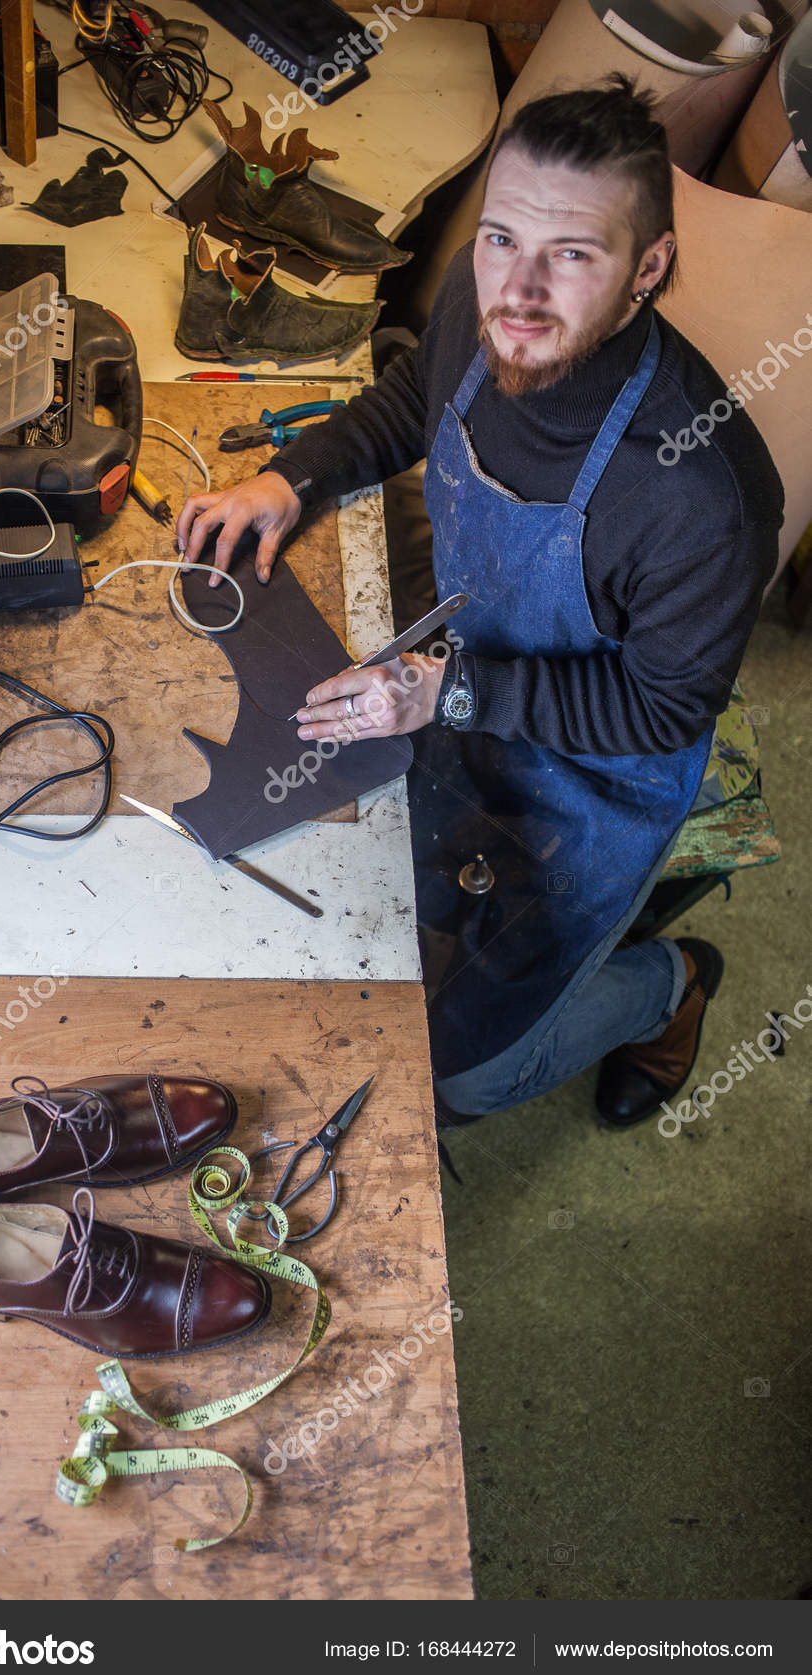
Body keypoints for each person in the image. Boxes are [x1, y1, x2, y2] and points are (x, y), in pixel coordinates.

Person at [177, 75, 784, 1129]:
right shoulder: (481, 291)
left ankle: (668, 983)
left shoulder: (699, 494)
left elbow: (658, 711)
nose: (518, 292)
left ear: (649, 268)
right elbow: (417, 395)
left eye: (572, 255)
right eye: (501, 237)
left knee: (456, 1078)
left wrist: (447, 690)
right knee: (344, 911)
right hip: (456, 696)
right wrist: (294, 477)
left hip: (590, 781)